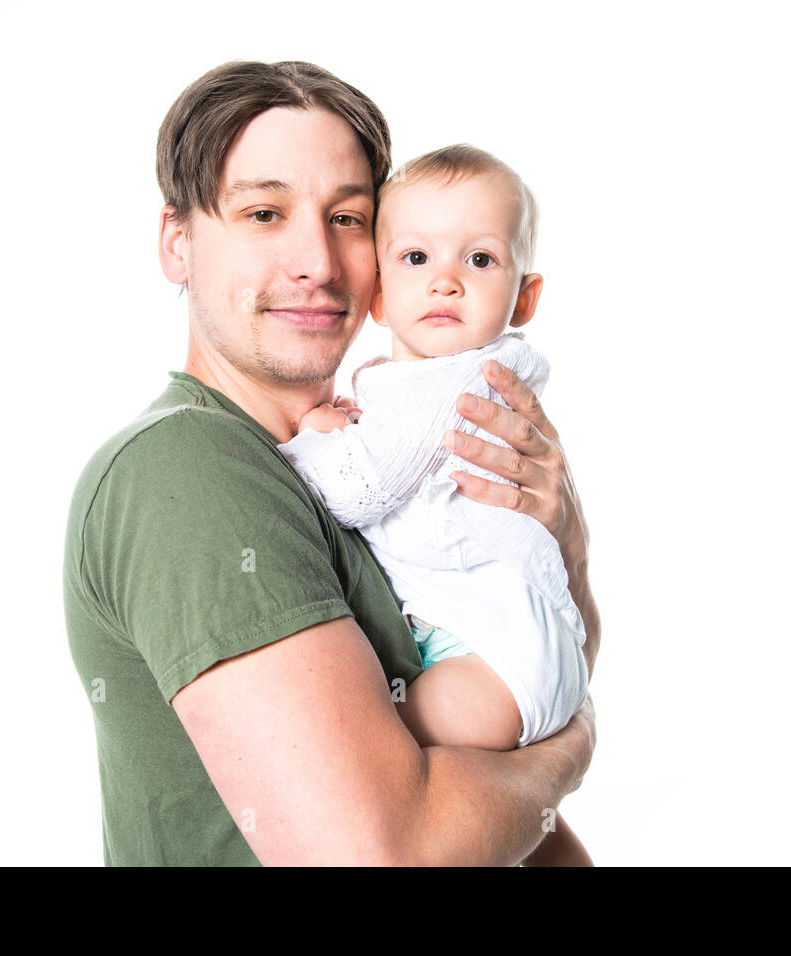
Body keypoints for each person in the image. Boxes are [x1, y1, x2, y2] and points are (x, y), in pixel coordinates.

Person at [63, 60, 601, 866]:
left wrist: (568, 543)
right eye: (265, 212)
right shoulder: (187, 471)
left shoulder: (371, 458)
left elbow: (533, 657)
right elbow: (386, 855)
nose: (316, 259)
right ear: (178, 243)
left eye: (348, 219)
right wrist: (569, 752)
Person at [278, 145, 594, 862]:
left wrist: (309, 441)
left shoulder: (448, 385)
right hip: (526, 647)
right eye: (417, 259)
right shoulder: (435, 381)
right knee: (510, 831)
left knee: (373, 751)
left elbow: (360, 490)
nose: (447, 281)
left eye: (479, 260)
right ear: (382, 295)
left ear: (525, 297)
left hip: (490, 657)